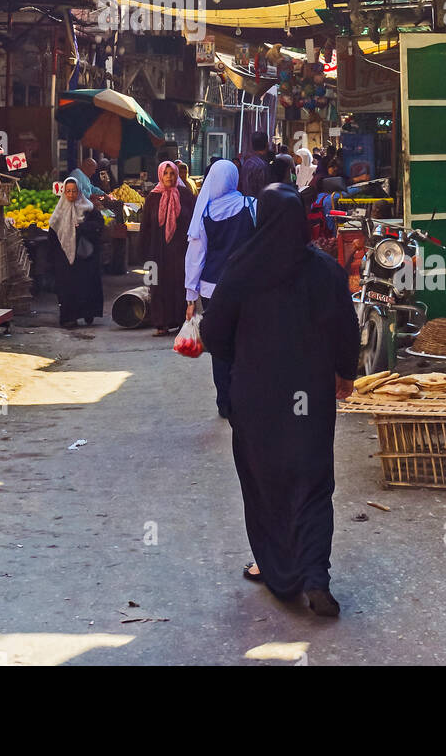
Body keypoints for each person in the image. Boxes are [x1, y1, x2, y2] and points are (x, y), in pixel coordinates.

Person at [201, 185, 360, 617]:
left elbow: (213, 333)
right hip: (308, 398)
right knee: (311, 482)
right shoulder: (326, 271)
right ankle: (314, 576)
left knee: (265, 484)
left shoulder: (241, 268)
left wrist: (235, 363)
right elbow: (348, 328)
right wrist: (346, 372)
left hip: (256, 397)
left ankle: (278, 570)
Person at [184, 159, 256, 419]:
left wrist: (190, 296)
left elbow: (196, 256)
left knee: (220, 345)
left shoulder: (204, 213)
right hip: (247, 287)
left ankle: (224, 401)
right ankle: (245, 396)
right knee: (246, 341)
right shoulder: (251, 206)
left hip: (212, 289)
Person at [138, 160, 195, 336]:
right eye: (166, 173)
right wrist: (143, 253)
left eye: (172, 173)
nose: (169, 177)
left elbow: (194, 222)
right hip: (156, 251)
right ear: (160, 175)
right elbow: (146, 226)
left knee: (179, 285)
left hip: (180, 251)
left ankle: (179, 321)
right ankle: (160, 323)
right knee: (156, 285)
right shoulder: (153, 198)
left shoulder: (186, 195)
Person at [48, 176, 104, 328]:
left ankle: (88, 313)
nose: (71, 194)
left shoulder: (89, 209)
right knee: (67, 288)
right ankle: (69, 318)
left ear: (79, 192)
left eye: (74, 191)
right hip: (65, 259)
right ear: (64, 193)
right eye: (68, 191)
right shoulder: (59, 212)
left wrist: (83, 228)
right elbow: (52, 232)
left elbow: (99, 224)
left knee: (86, 286)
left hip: (85, 258)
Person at [238, 130, 271, 200]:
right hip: (258, 205)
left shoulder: (247, 163)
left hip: (246, 203)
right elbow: (265, 191)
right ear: (267, 144)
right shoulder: (262, 166)